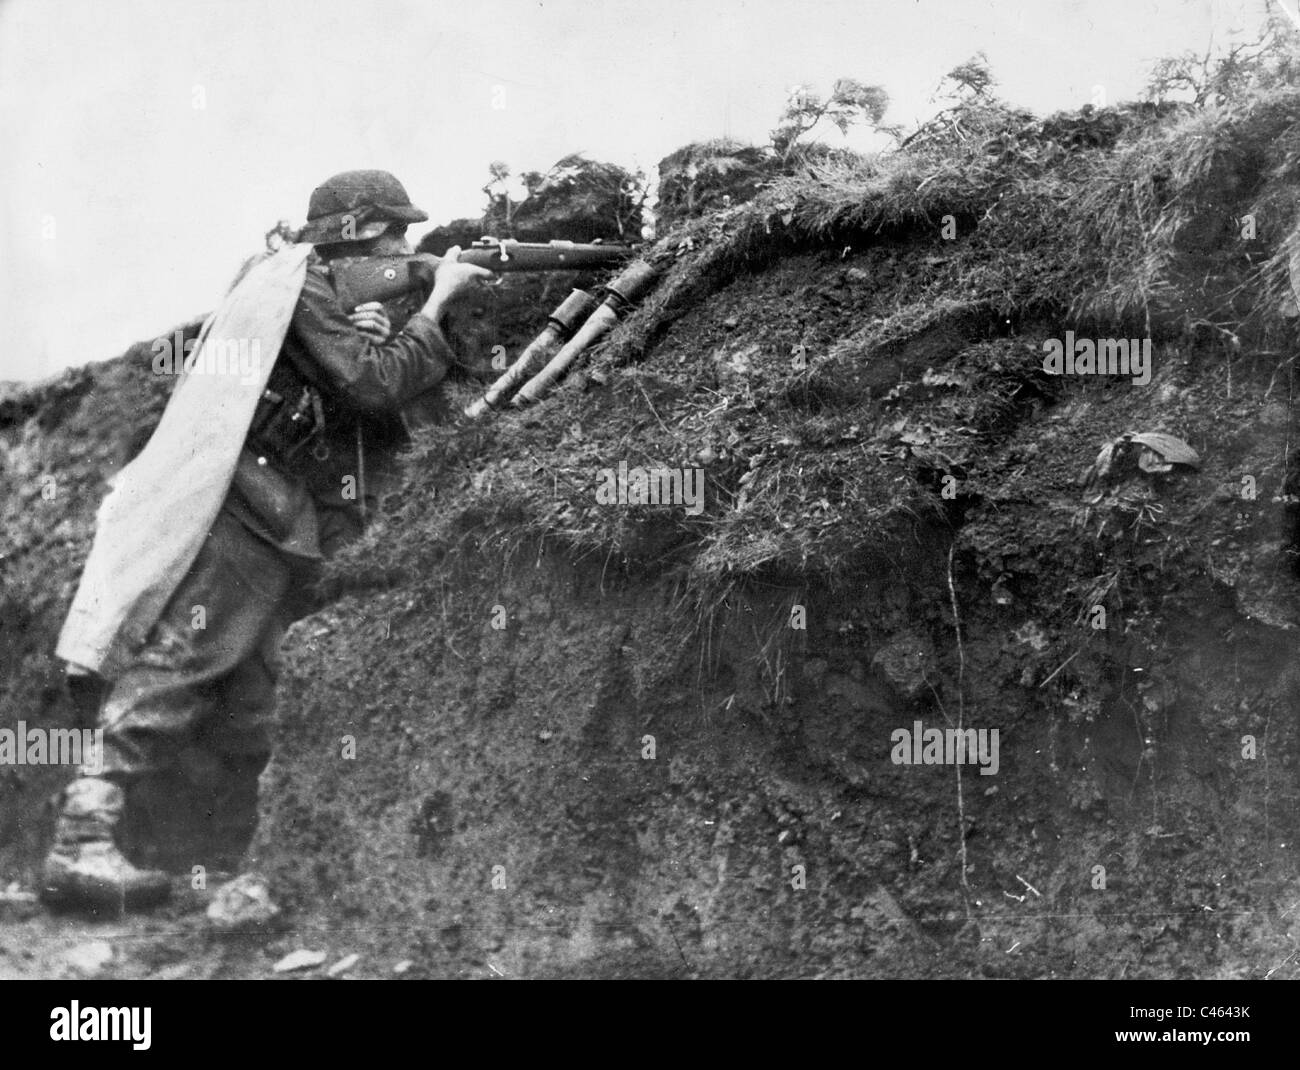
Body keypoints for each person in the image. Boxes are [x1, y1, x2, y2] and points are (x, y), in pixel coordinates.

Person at [41, 170, 495, 911]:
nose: (404, 248)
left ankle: (263, 854)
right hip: (251, 511)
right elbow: (376, 386)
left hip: (279, 512)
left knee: (259, 692)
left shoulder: (291, 285)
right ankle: (80, 839)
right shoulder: (297, 282)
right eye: (394, 235)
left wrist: (372, 327)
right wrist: (436, 304)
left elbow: (345, 375)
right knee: (184, 662)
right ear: (354, 230)